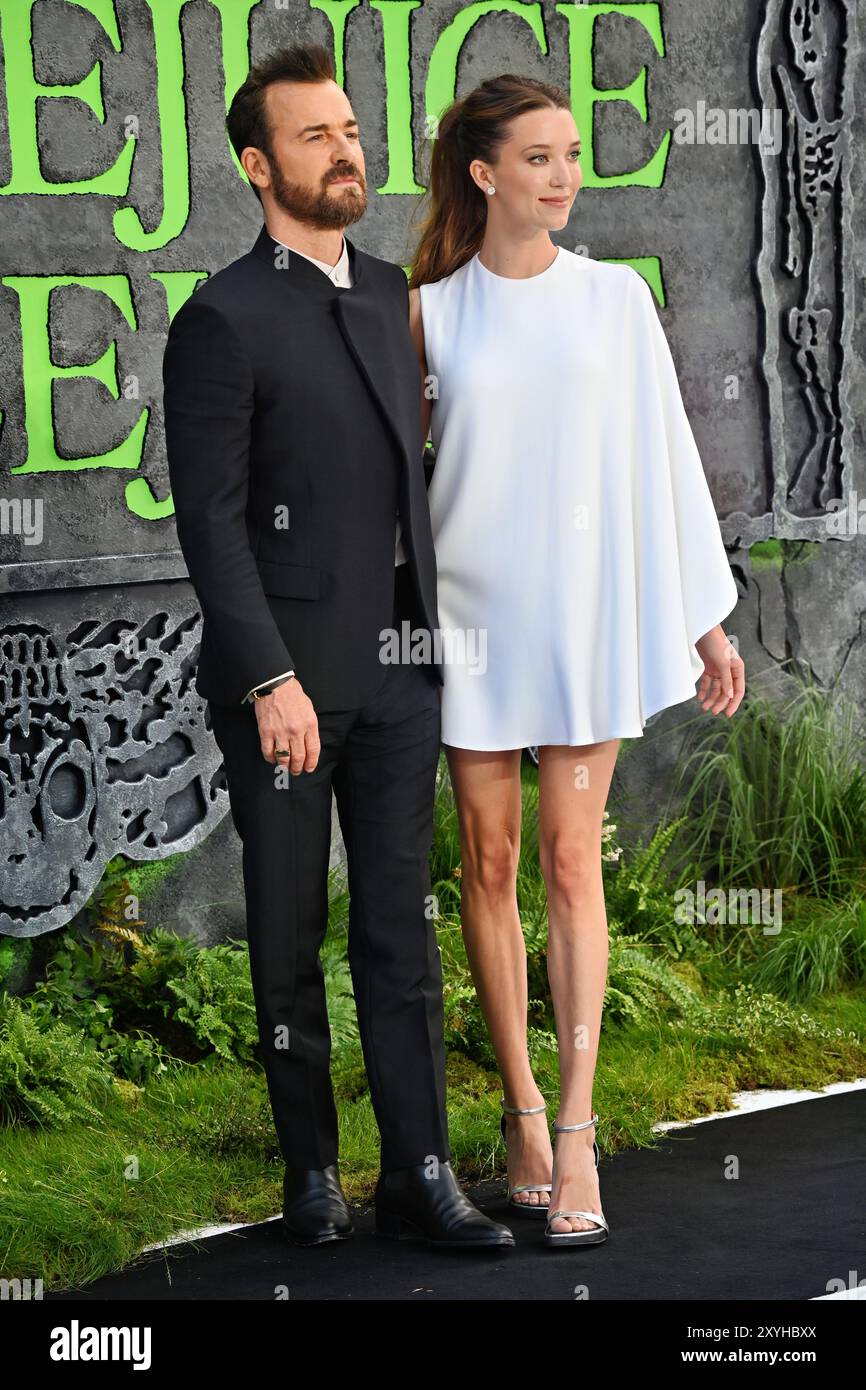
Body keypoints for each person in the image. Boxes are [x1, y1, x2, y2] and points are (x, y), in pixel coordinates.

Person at [162, 43, 513, 1251]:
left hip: (398, 672)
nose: (345, 150)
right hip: (285, 688)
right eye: (313, 136)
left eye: (350, 129)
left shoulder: (386, 293)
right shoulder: (221, 317)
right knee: (284, 938)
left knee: (397, 937)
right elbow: (209, 520)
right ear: (259, 166)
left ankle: (420, 1171)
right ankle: (310, 1172)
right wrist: (269, 677)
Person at [407, 74, 745, 1248]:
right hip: (471, 625)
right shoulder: (429, 313)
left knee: (567, 860)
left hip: (582, 617)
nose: (563, 176)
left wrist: (703, 619)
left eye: (570, 155)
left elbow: (663, 455)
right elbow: (396, 480)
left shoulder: (614, 302)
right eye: (538, 157)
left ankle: (579, 1128)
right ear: (483, 172)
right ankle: (515, 1111)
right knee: (488, 866)